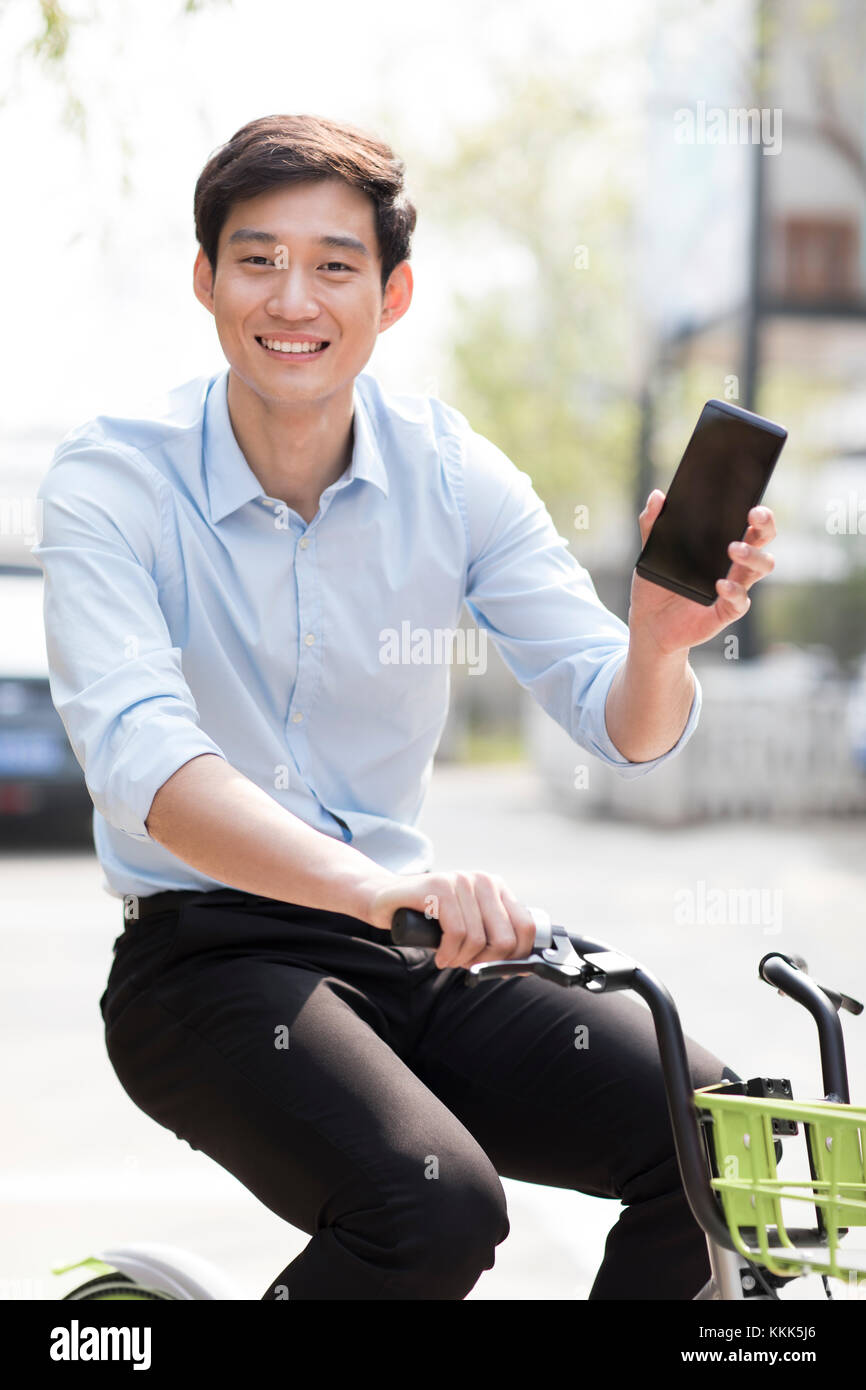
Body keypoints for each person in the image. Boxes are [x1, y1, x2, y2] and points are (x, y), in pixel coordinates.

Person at [33, 113, 777, 1301]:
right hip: (205, 962)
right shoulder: (114, 479)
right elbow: (148, 770)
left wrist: (656, 643)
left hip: (399, 947)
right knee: (429, 1201)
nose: (293, 298)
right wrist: (377, 886)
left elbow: (621, 720)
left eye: (334, 264)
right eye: (257, 258)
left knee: (722, 1143)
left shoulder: (450, 472)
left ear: (394, 292)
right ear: (205, 281)